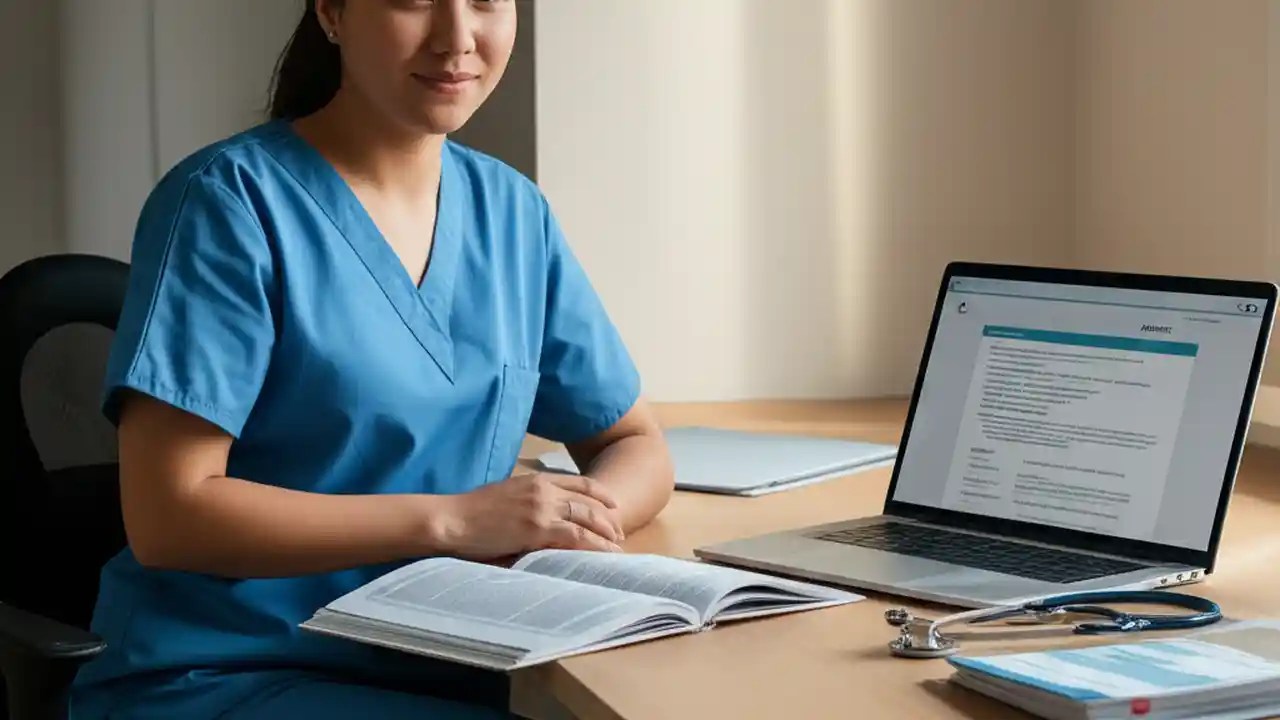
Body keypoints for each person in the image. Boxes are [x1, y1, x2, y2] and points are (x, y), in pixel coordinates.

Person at [67, 0, 674, 717]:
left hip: (456, 656)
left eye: (486, 2)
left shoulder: (514, 214)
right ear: (332, 11)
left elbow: (634, 442)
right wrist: (453, 522)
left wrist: (570, 528)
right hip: (233, 672)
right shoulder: (228, 203)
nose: (457, 39)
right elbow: (170, 514)